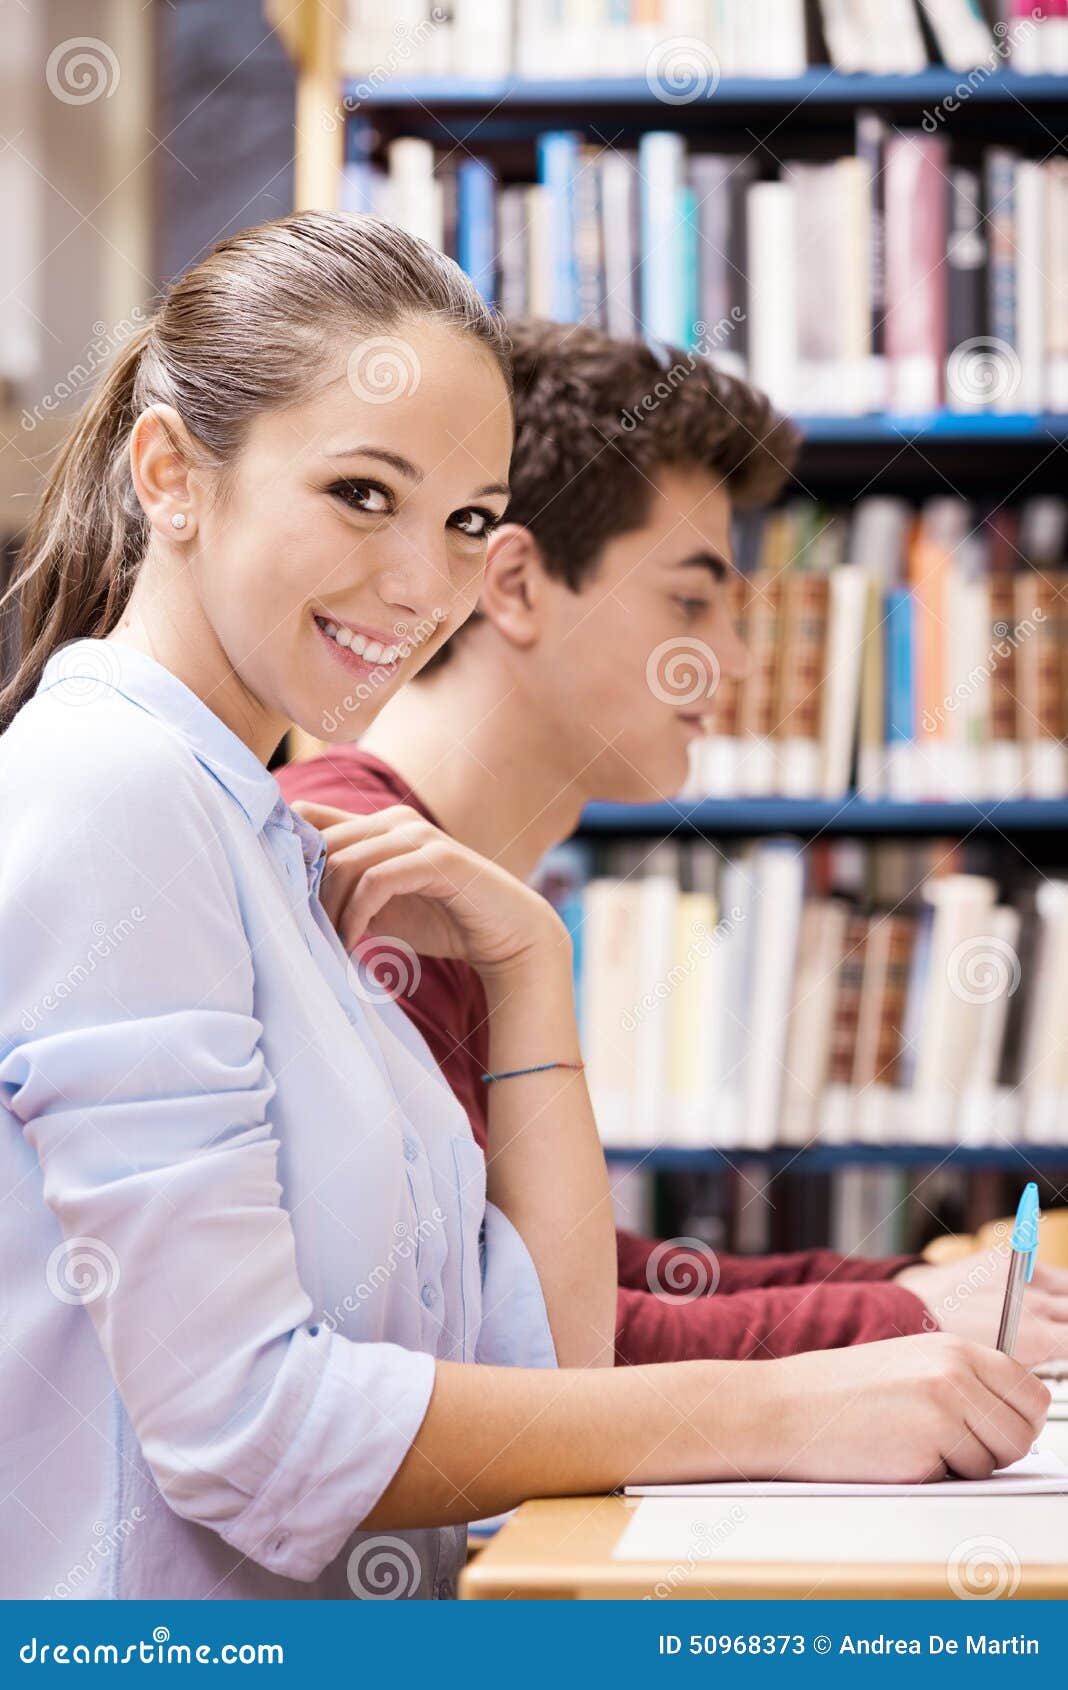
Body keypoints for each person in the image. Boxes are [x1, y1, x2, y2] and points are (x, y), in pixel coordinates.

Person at [0, 234, 1048, 1603]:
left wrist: (532, 973)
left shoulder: (267, 829)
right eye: (362, 494)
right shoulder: (113, 787)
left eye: (466, 521)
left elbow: (548, 1372)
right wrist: (798, 1402)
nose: (419, 586)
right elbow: (251, 1433)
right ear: (169, 476)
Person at [278, 317, 1068, 1371]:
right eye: (692, 601)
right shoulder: (360, 864)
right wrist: (899, 1320)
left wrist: (897, 1287)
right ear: (513, 586)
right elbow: (497, 1326)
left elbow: (573, 1270)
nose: (734, 659)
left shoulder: (440, 864)